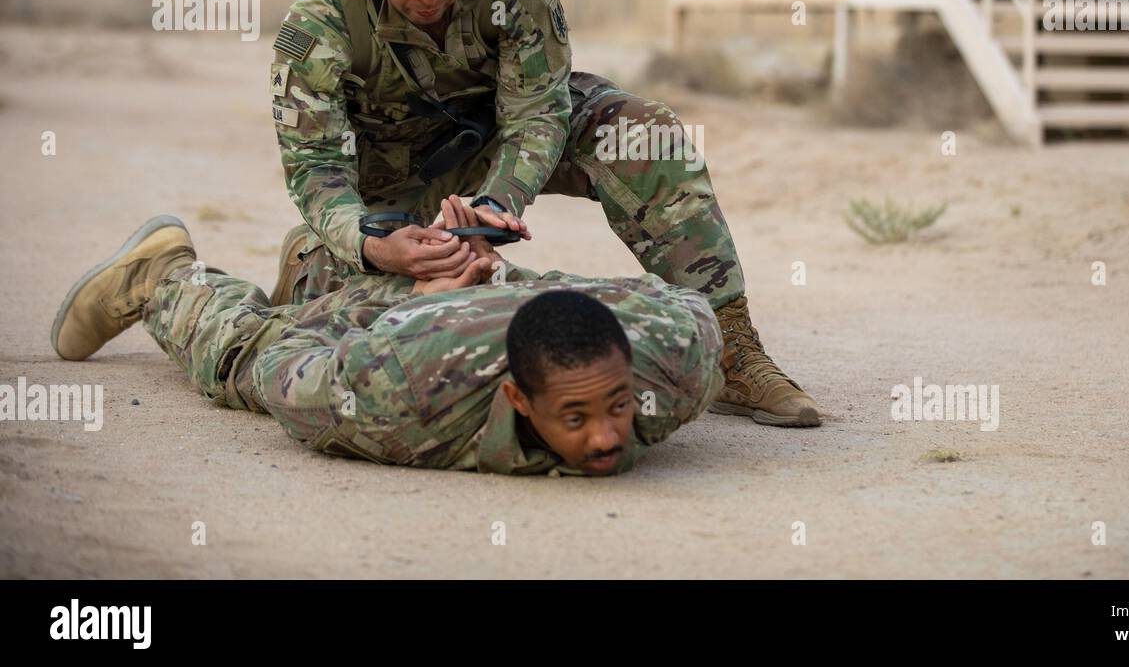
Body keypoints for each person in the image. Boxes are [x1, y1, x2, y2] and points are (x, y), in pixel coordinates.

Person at [269, 0, 819, 426]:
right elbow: (317, 167)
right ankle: (308, 261)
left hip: (498, 141)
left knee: (641, 132)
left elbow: (536, 111)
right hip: (391, 180)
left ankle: (736, 352)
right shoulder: (322, 18)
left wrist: (498, 201)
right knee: (362, 307)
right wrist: (370, 244)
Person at [48, 199, 723, 476]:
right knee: (242, 359)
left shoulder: (677, 360)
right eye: (573, 418)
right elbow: (286, 373)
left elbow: (675, 300)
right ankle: (162, 276)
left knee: (475, 282)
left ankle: (322, 269)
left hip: (489, 291)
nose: (607, 437)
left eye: (615, 407)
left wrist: (494, 270)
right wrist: (404, 313)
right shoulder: (402, 391)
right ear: (518, 400)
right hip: (405, 331)